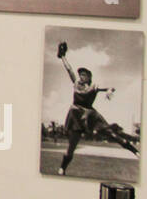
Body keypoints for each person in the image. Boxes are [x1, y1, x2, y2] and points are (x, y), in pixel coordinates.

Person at [54, 41, 139, 176]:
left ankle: (135, 151)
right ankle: (62, 168)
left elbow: (107, 88)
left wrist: (110, 90)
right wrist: (63, 56)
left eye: (83, 74)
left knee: (112, 134)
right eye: (80, 73)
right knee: (71, 147)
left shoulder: (93, 87)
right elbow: (69, 69)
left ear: (89, 77)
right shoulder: (76, 83)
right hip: (76, 113)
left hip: (90, 114)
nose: (80, 76)